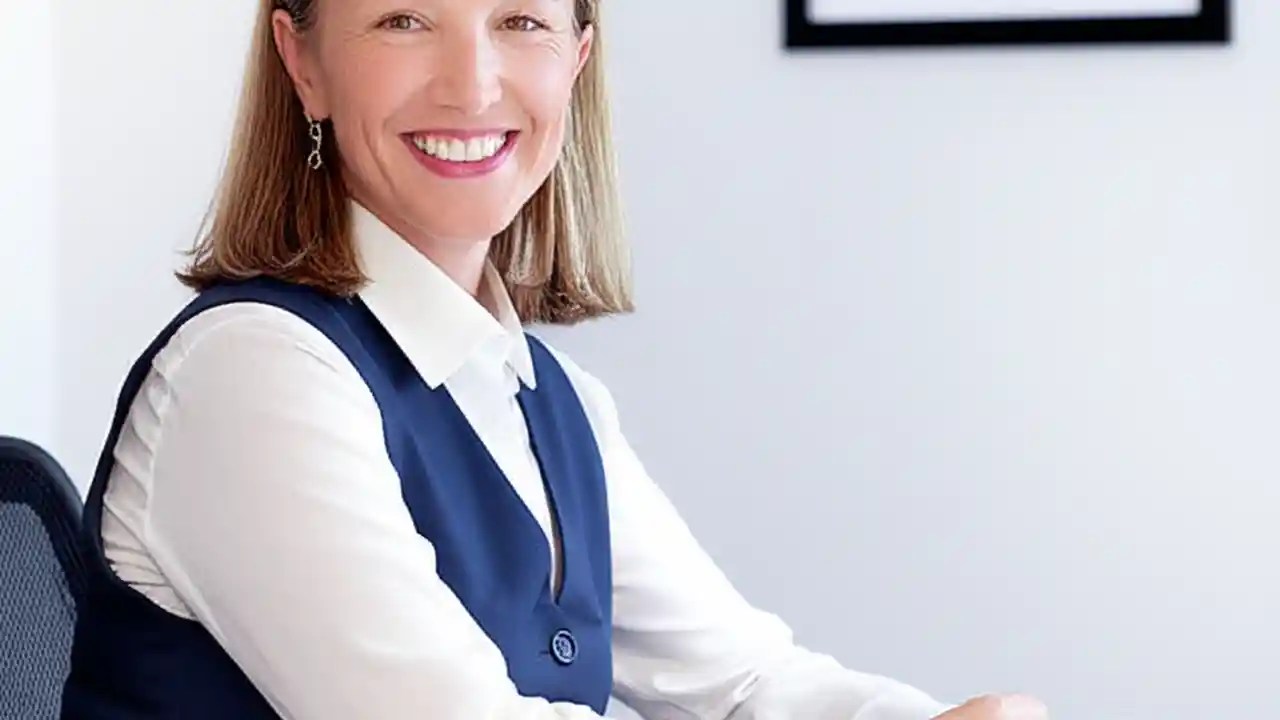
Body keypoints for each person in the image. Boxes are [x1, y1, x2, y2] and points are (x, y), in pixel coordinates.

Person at [60, 1, 1050, 719]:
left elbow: (747, 682)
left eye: (520, 22)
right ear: (303, 60)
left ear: (577, 58)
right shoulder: (252, 376)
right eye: (405, 19)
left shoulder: (548, 400)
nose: (472, 82)